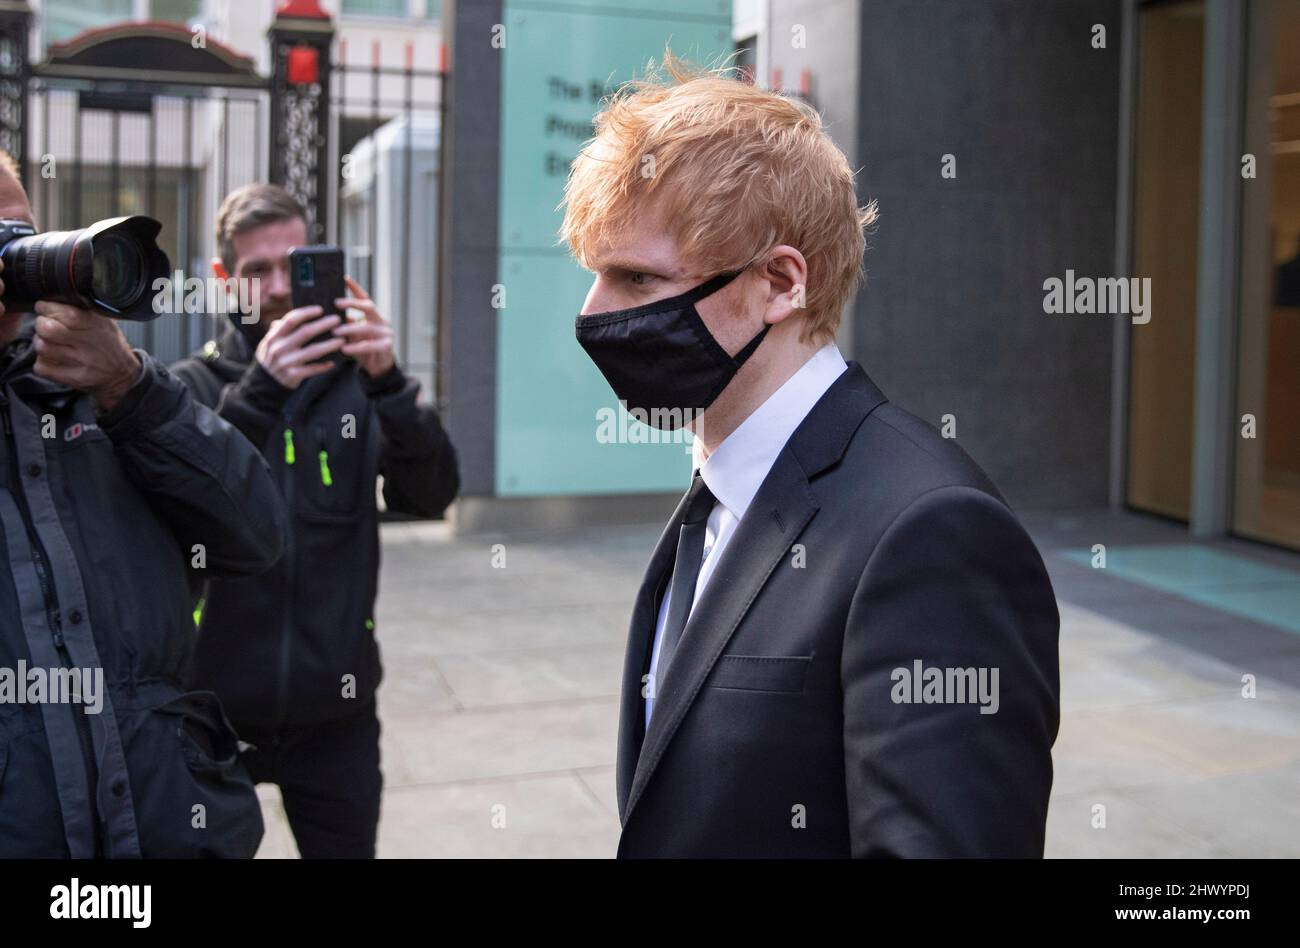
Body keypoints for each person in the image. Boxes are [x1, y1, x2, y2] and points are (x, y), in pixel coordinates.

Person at [562, 57, 1061, 857]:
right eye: (595, 277)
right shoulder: (726, 485)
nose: (593, 314)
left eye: (634, 279)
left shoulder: (932, 531)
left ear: (780, 282)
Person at [0, 152, 285, 858]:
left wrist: (131, 389)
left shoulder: (110, 390)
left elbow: (255, 535)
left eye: (20, 232)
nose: (13, 258)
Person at [171, 183, 459, 858]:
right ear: (223, 281)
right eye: (255, 271)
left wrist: (389, 382)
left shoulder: (359, 381)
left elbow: (432, 494)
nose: (276, 287)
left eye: (293, 266)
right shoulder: (188, 387)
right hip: (208, 718)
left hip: (337, 713)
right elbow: (180, 510)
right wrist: (262, 390)